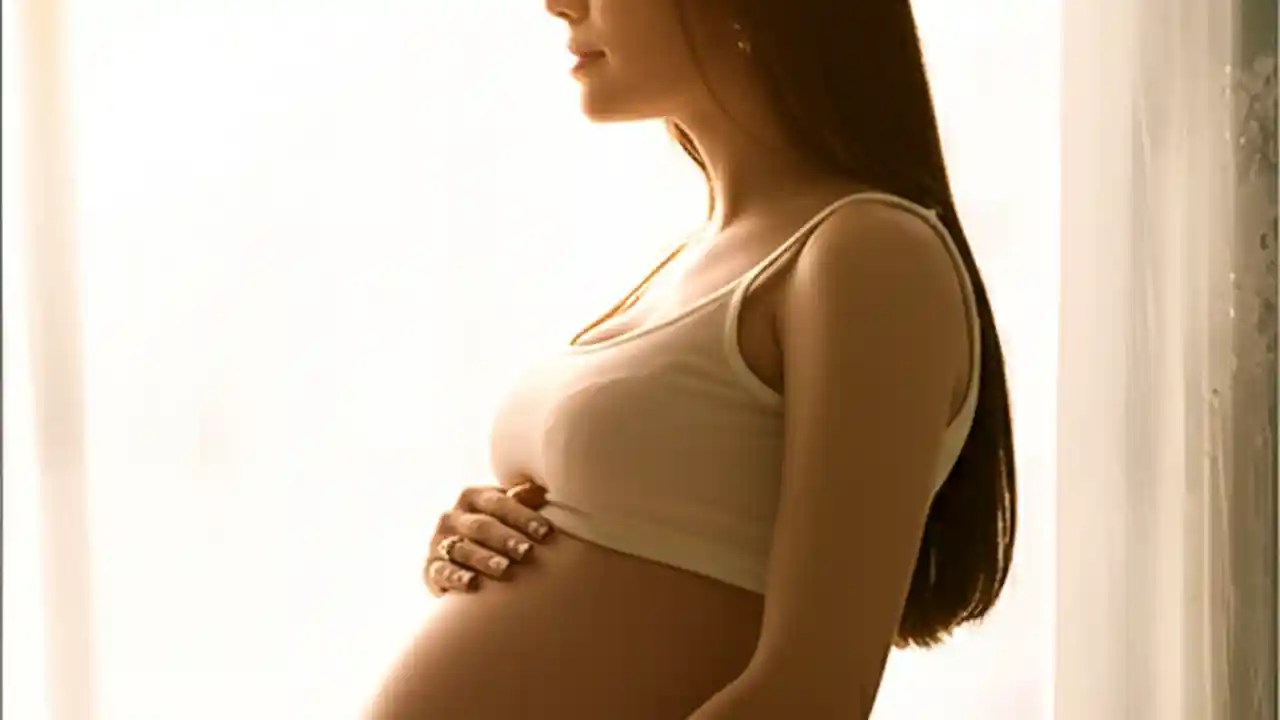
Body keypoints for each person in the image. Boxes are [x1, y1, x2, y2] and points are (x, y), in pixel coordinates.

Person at [364, 0, 1017, 717]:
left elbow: (812, 695)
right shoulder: (698, 257)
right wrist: (476, 548)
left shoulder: (866, 254)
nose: (559, 5)